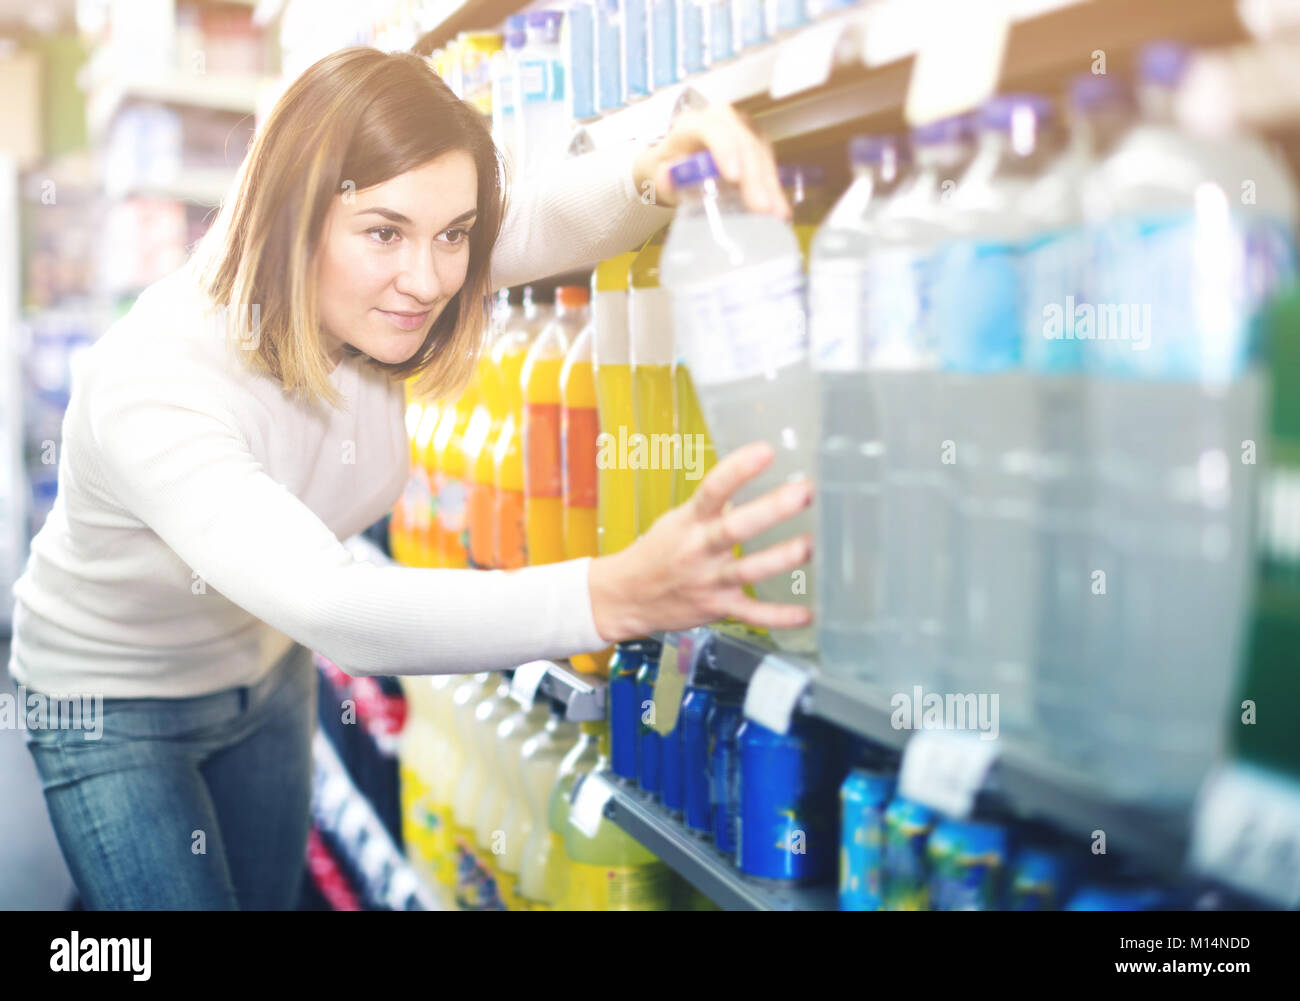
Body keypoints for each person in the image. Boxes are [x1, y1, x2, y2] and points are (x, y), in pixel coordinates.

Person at [10, 47, 813, 910]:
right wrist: (611, 594)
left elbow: (539, 221)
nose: (427, 280)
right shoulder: (157, 375)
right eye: (384, 231)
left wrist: (655, 170)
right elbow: (336, 607)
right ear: (294, 214)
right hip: (116, 699)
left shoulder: (369, 292)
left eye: (454, 235)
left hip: (264, 668)